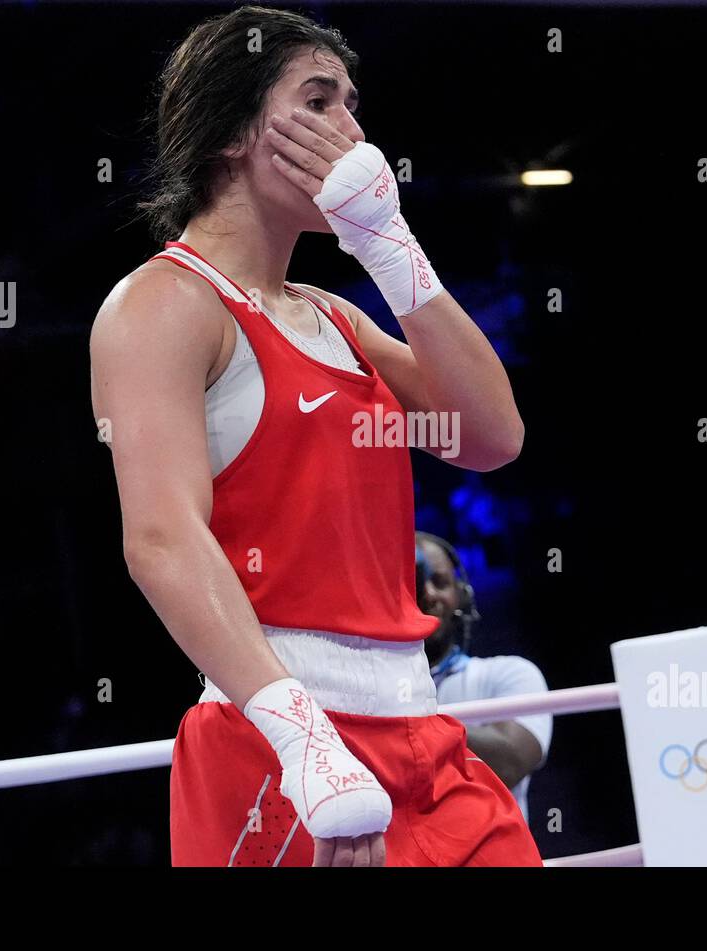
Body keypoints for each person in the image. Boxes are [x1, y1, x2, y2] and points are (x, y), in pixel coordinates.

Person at [89, 5, 539, 867]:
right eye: (321, 100)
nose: (354, 133)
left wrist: (391, 246)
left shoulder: (334, 315)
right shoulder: (162, 306)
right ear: (231, 131)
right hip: (280, 747)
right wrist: (306, 743)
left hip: (425, 738)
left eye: (351, 104)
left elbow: (492, 435)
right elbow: (159, 539)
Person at [417, 532, 551, 823]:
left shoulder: (510, 674)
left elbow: (510, 762)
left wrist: (404, 723)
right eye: (413, 585)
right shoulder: (367, 688)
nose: (427, 594)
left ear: (462, 594)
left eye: (439, 582)